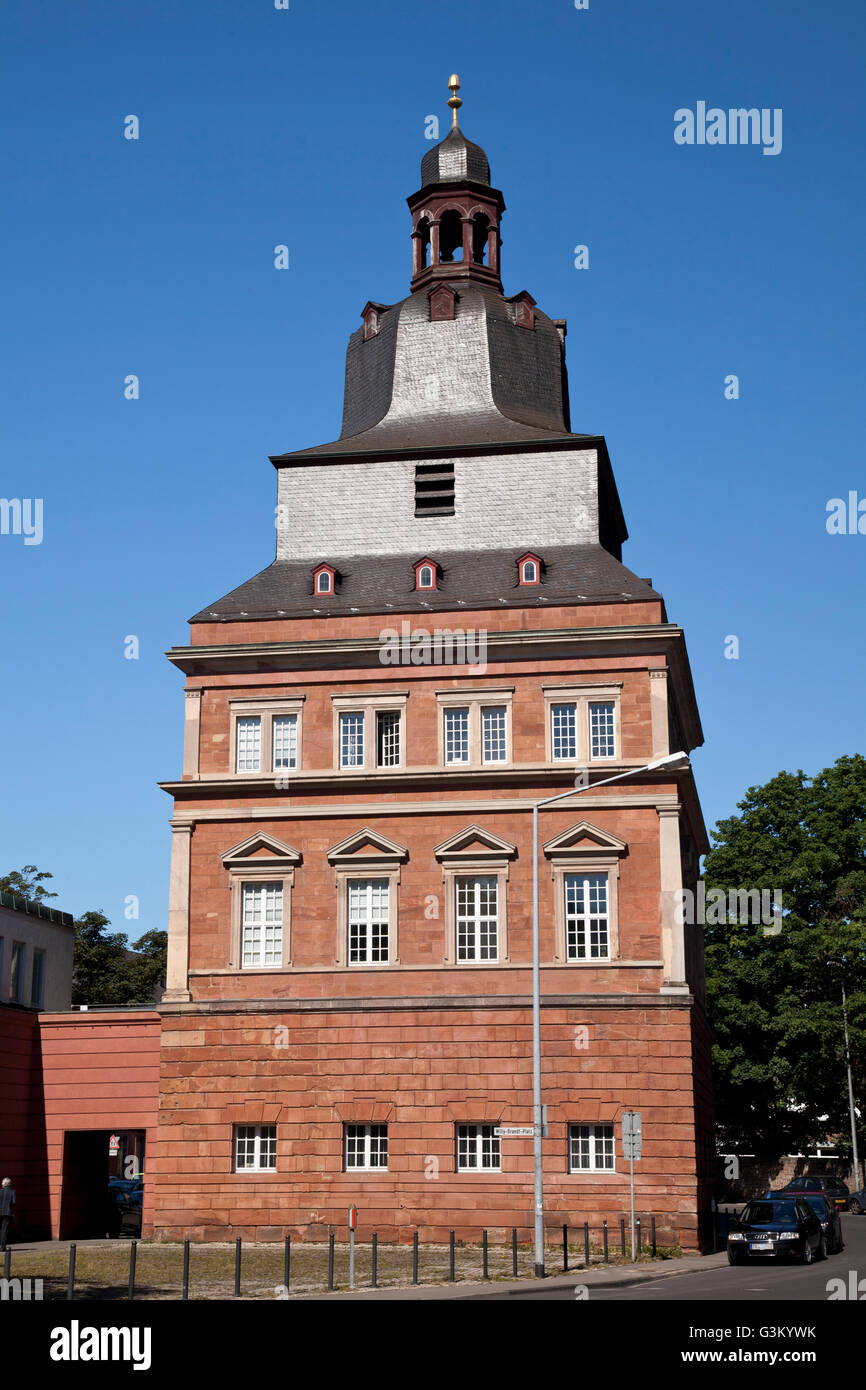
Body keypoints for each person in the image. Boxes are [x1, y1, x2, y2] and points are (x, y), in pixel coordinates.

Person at [0, 1178, 16, 1252]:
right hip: (7, 1213)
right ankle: (2, 1247)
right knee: (4, 1231)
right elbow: (14, 1202)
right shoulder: (13, 1191)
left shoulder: (0, 1191)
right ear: (9, 1184)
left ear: (3, 1184)